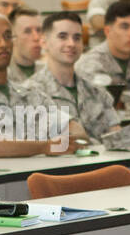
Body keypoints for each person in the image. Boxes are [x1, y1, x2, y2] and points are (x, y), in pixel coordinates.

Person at [0, 13, 83, 158]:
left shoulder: (29, 94)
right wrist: (46, 146)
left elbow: (77, 131)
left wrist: (66, 140)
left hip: (35, 174)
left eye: (8, 36)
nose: (3, 44)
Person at [28, 12, 120, 140]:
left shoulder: (97, 92)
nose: (71, 43)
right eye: (62, 37)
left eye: (77, 38)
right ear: (44, 42)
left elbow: (117, 137)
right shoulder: (30, 93)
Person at [7, 6, 43, 84]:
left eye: (39, 30)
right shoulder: (2, 74)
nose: (36, 37)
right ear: (12, 37)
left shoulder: (48, 71)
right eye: (27, 31)